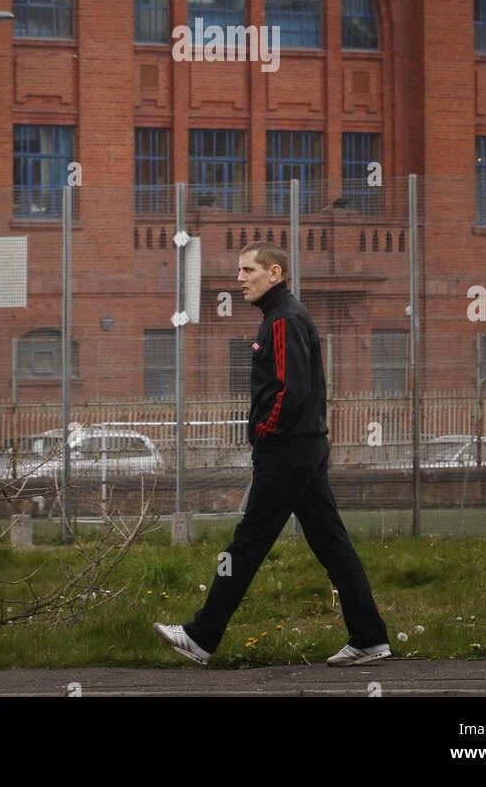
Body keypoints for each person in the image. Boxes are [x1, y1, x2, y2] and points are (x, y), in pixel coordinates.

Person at [154, 240, 390, 666]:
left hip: (288, 452)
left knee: (246, 544)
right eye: (240, 271)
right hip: (303, 448)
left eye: (248, 271)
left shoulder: (283, 321)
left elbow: (289, 388)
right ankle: (370, 638)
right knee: (332, 544)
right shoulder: (281, 318)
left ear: (274, 274)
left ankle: (200, 636)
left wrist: (266, 432)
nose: (239, 280)